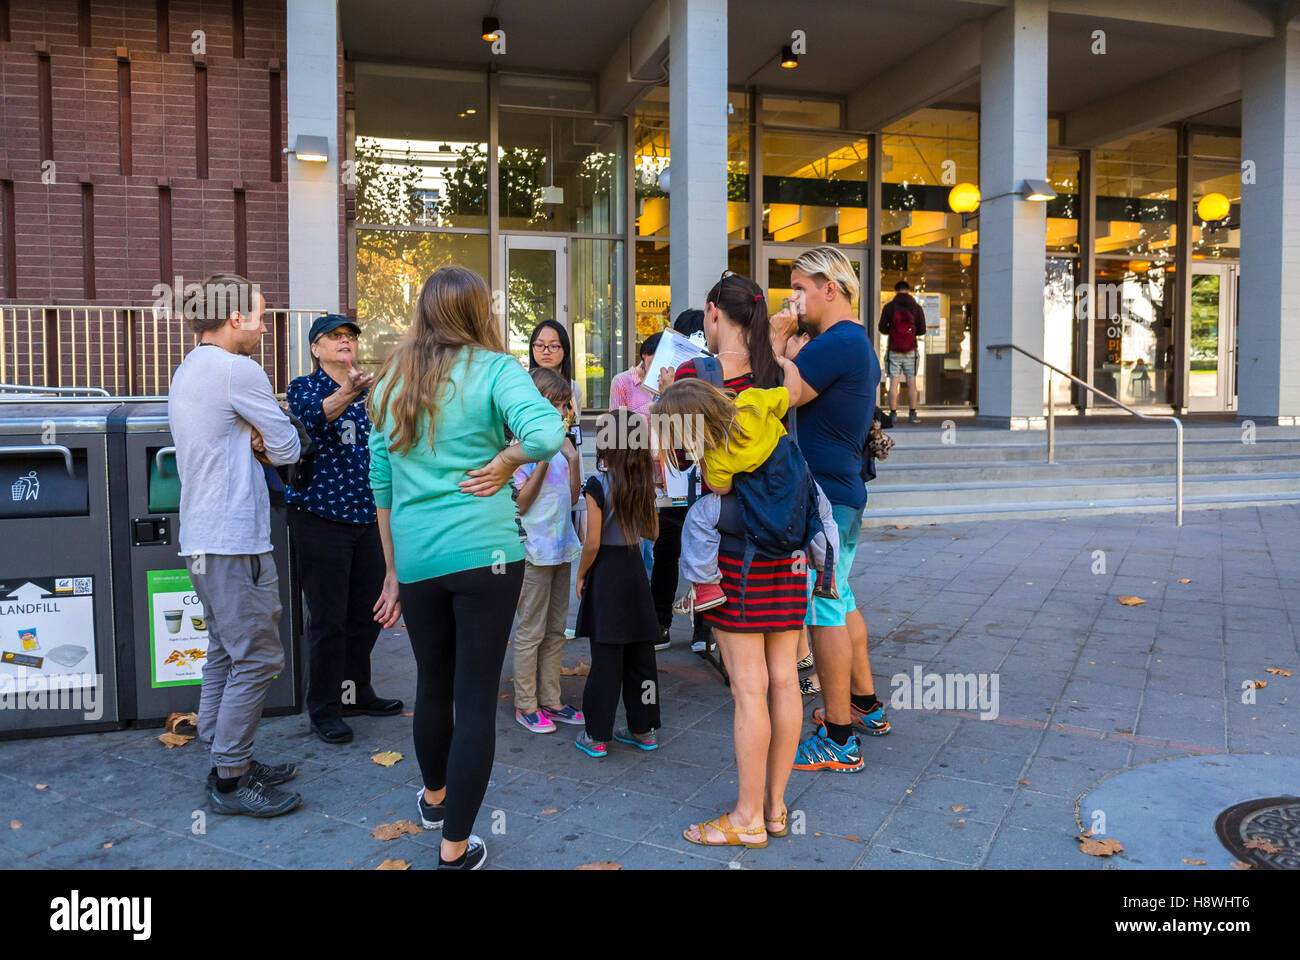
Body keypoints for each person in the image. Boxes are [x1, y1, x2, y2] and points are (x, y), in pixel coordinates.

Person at [369, 265, 565, 871]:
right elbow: (548, 431)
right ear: (480, 311)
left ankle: (433, 800)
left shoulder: (388, 381)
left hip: (419, 556)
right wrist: (508, 460)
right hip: (488, 556)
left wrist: (392, 572)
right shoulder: (498, 369)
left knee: (432, 681)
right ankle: (454, 849)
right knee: (474, 696)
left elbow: (381, 485)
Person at [667, 271, 806, 849]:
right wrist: (776, 345)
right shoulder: (784, 372)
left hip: (735, 550)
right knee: (785, 682)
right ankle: (774, 809)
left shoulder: (691, 375)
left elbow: (675, 458)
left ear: (710, 312)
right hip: (789, 545)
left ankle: (746, 817)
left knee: (748, 688)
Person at [168, 272, 303, 818]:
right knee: (260, 657)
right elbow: (290, 446)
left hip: (204, 537)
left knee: (225, 650)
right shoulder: (237, 371)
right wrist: (263, 437)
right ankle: (229, 779)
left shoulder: (187, 368)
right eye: (261, 316)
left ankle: (227, 756)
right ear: (234, 319)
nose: (265, 328)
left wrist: (253, 436)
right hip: (233, 539)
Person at [773, 247, 890, 777]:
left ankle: (839, 738)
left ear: (831, 287)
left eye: (799, 286)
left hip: (825, 497)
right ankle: (864, 704)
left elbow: (781, 395)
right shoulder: (852, 341)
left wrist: (775, 342)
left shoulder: (838, 342)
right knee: (839, 598)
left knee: (822, 611)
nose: (792, 297)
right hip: (838, 494)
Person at [286, 314, 402, 746]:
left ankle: (356, 691)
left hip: (369, 518)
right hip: (319, 518)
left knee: (366, 615)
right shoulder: (304, 387)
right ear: (315, 348)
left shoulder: (374, 393)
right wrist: (347, 393)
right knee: (329, 620)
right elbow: (308, 423)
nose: (345, 342)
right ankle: (324, 708)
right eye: (334, 337)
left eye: (350, 336)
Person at [572, 408, 662, 759]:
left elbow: (592, 542)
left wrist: (581, 574)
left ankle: (597, 735)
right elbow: (652, 532)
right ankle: (644, 729)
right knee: (642, 656)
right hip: (634, 571)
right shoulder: (642, 484)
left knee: (606, 658)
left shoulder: (597, 485)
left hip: (607, 572)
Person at [510, 368, 585, 734]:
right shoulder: (517, 451)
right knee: (531, 629)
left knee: (556, 628)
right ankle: (526, 703)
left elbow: (573, 499)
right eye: (551, 405)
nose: (559, 412)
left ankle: (551, 697)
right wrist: (541, 459)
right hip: (534, 551)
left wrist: (572, 459)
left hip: (560, 547)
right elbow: (521, 503)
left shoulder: (561, 446)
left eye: (562, 405)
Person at [647, 310, 713, 653]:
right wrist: (664, 398)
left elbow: (705, 433)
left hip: (706, 481)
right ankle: (660, 623)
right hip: (677, 480)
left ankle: (705, 629)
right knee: (666, 551)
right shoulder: (669, 380)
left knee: (704, 554)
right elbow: (663, 432)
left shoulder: (713, 376)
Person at [609, 332, 663, 575]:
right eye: (658, 358)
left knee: (658, 545)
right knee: (634, 544)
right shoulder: (623, 382)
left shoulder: (669, 384)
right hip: (633, 474)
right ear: (645, 354)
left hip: (662, 477)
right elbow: (617, 429)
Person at [879, 279, 927, 424]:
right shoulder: (916, 308)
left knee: (894, 382)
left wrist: (894, 333)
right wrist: (910, 334)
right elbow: (922, 330)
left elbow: (882, 328)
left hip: (893, 350)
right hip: (911, 350)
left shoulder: (889, 307)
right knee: (912, 382)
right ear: (908, 290)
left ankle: (893, 414)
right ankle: (912, 414)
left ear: (896, 291)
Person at [608, 332, 661, 417]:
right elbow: (616, 423)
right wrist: (649, 407)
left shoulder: (668, 382)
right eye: (658, 358)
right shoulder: (621, 381)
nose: (661, 365)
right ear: (645, 354)